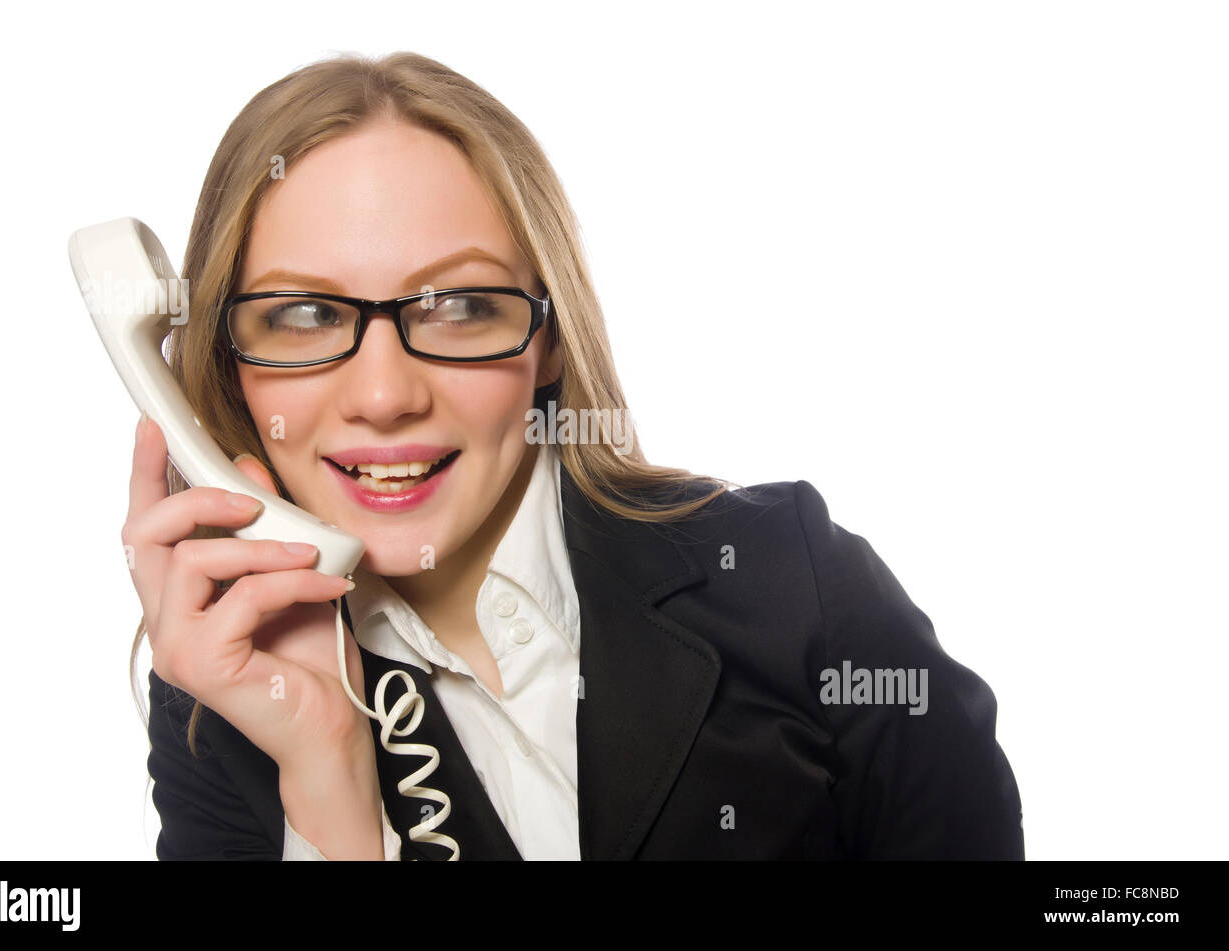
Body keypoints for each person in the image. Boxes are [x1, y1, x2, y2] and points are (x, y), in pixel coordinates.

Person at [129, 51, 1024, 860]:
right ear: (223, 362)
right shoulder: (225, 714)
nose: (382, 395)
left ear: (549, 338)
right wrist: (329, 783)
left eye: (458, 307)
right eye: (307, 315)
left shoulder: (794, 583)